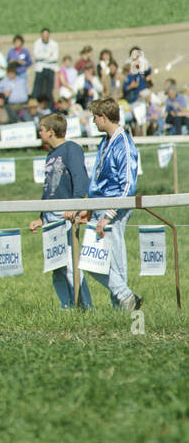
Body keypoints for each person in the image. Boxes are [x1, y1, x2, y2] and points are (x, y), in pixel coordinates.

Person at [76, 97, 141, 312]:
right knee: (98, 260)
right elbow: (98, 180)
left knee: (106, 261)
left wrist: (108, 214)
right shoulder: (106, 141)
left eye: (95, 117)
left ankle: (124, 299)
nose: (93, 122)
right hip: (101, 205)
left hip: (114, 208)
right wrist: (90, 206)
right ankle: (124, 302)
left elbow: (128, 185)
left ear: (104, 117)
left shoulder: (124, 145)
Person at [27, 113, 93, 310]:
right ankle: (67, 305)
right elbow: (49, 188)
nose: (39, 132)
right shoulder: (50, 154)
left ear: (51, 131)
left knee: (71, 264)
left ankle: (85, 306)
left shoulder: (71, 149)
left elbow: (80, 178)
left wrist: (76, 204)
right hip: (49, 214)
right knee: (56, 266)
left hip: (65, 213)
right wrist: (41, 217)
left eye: (41, 128)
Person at [32, 29, 59, 103]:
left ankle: (49, 105)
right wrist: (48, 55)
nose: (45, 37)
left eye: (46, 35)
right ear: (41, 35)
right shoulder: (37, 43)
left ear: (49, 35)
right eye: (43, 35)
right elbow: (37, 56)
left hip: (50, 68)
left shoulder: (54, 44)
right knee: (38, 88)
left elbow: (55, 57)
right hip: (40, 68)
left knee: (49, 89)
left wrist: (43, 57)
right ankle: (36, 103)